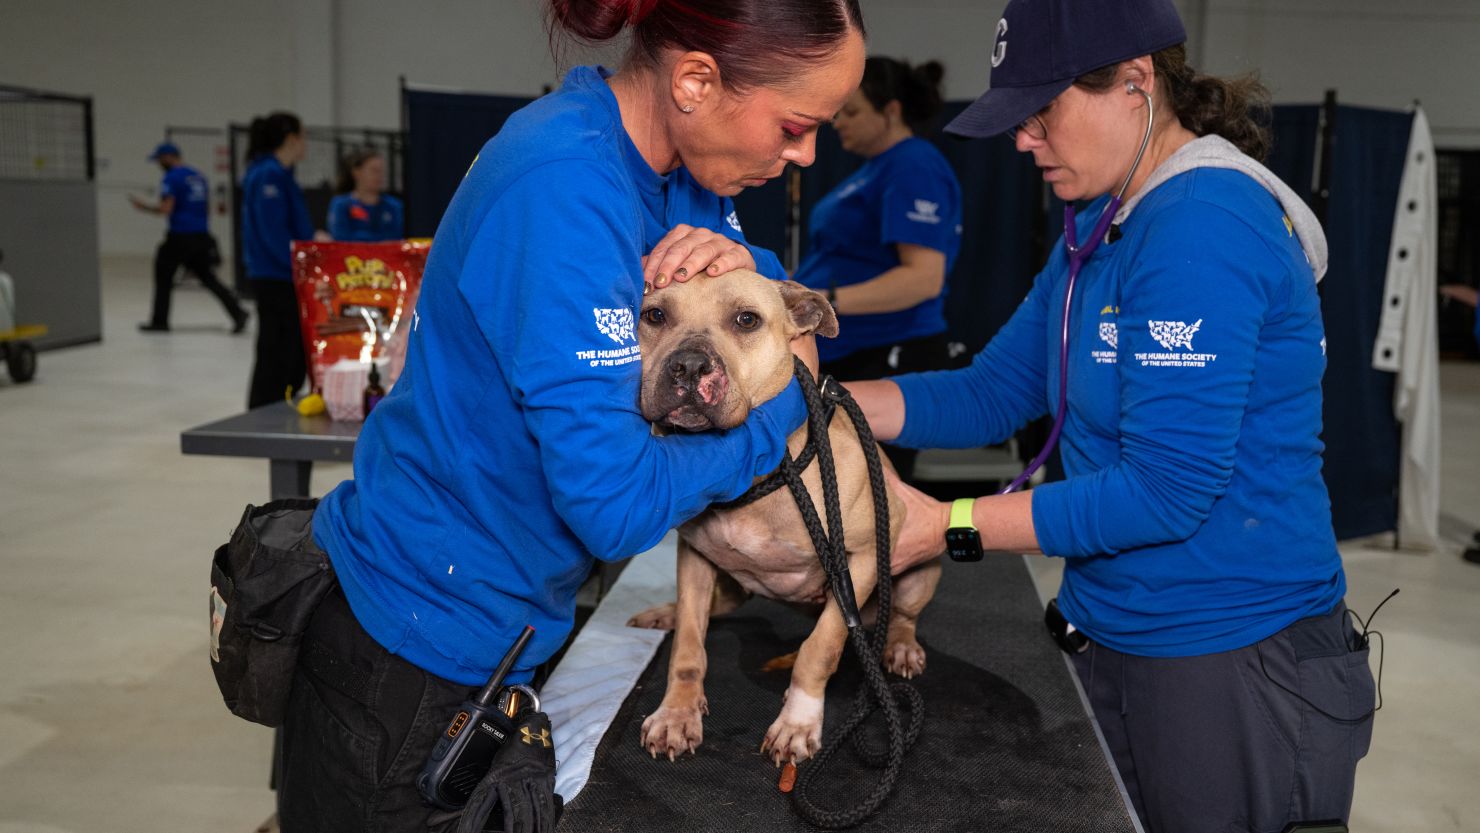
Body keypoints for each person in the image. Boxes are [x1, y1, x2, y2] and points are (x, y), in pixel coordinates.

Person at [277, 0, 865, 828]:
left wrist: (757, 278)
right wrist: (778, 423)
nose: (804, 152)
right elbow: (617, 504)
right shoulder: (564, 186)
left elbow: (786, 326)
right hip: (412, 643)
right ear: (697, 80)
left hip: (506, 621)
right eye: (796, 124)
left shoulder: (676, 171)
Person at [854, 1, 1376, 830]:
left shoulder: (1202, 224)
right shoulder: (1097, 227)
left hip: (1229, 651)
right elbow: (992, 391)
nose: (1025, 142)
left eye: (1041, 113)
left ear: (1135, 83)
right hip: (1114, 630)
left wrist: (945, 523)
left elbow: (1166, 491)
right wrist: (822, 404)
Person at [792, 56, 961, 478]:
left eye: (852, 112)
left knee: (868, 494)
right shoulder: (872, 171)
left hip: (888, 351)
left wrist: (820, 303)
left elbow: (922, 279)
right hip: (850, 352)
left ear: (891, 112)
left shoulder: (913, 164)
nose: (838, 122)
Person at [130, 142, 248, 334]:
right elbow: (206, 208)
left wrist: (143, 207)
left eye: (160, 160)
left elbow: (166, 208)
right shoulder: (198, 176)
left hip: (179, 236)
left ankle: (160, 321)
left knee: (163, 275)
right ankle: (238, 312)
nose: (159, 164)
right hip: (200, 235)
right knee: (208, 278)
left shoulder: (171, 178)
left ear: (168, 157)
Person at [240, 112, 317, 408]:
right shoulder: (268, 175)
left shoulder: (281, 175)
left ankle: (279, 405)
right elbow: (273, 235)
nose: (305, 144)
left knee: (291, 351)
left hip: (286, 274)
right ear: (291, 139)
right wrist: (300, 263)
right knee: (276, 350)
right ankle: (263, 411)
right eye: (304, 137)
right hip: (277, 277)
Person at [327, 147, 405, 241]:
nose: (379, 175)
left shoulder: (393, 205)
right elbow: (341, 238)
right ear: (357, 172)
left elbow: (394, 239)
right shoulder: (341, 204)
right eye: (374, 170)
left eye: (381, 171)